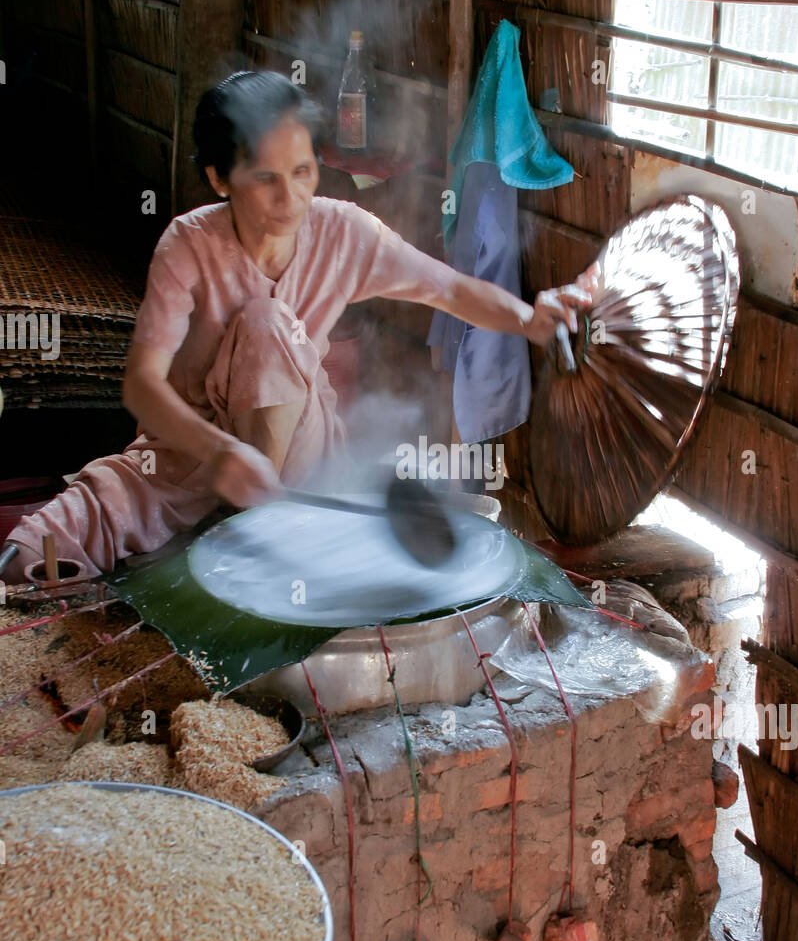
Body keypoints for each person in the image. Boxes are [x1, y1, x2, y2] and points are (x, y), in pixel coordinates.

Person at [2, 70, 594, 583]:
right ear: (219, 179)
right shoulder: (187, 244)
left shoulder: (343, 231)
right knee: (32, 554)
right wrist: (225, 453)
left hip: (300, 463)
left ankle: (266, 529)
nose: (292, 198)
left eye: (304, 171)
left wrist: (529, 318)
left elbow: (450, 289)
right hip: (187, 454)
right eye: (265, 179)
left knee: (266, 323)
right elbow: (142, 387)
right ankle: (252, 525)